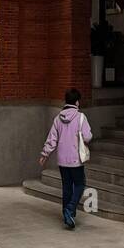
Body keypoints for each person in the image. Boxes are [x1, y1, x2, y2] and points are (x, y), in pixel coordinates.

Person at [39, 89, 93, 229]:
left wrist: (45, 154)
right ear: (76, 102)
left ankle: (66, 214)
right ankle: (70, 209)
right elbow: (87, 137)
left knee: (67, 187)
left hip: (62, 159)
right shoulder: (81, 117)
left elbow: (52, 139)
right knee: (80, 184)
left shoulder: (58, 118)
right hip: (76, 159)